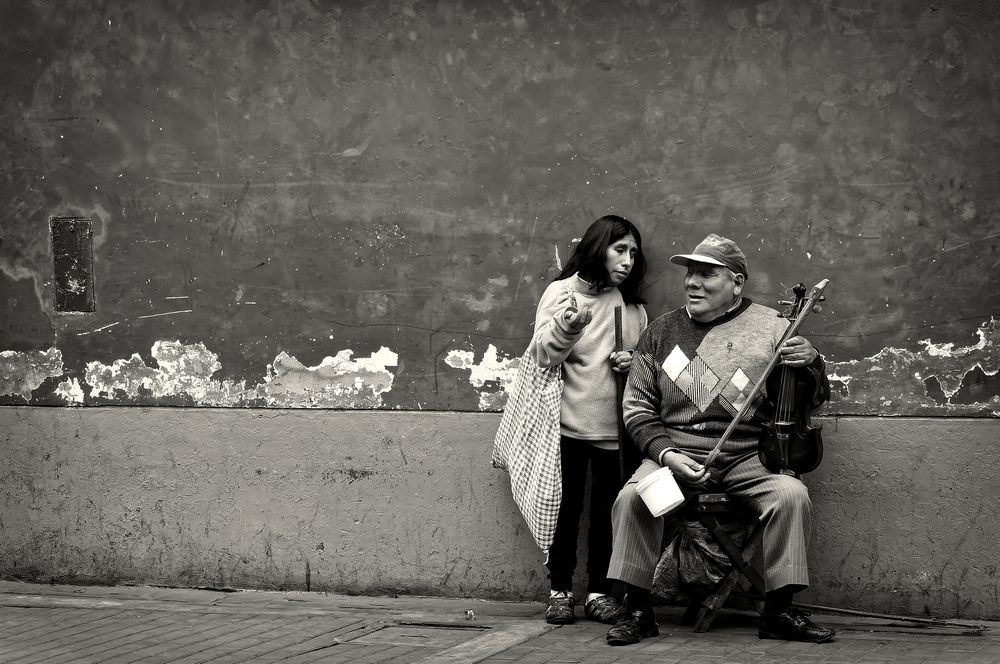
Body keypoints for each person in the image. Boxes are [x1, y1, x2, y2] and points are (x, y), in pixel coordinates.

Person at [604, 233, 836, 646]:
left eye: (707, 274)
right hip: (674, 455)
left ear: (737, 283)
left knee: (791, 495)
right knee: (632, 499)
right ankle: (639, 611)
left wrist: (812, 363)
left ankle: (778, 611)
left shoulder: (773, 328)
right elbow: (636, 409)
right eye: (690, 274)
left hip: (747, 456)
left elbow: (812, 400)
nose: (693, 282)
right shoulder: (662, 331)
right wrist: (667, 454)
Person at [530, 214, 649, 625]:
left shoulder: (632, 306)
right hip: (565, 428)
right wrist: (567, 326)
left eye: (634, 252)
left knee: (606, 516)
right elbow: (544, 354)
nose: (629, 259)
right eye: (620, 249)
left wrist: (633, 363)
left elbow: (645, 370)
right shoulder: (562, 294)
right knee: (565, 513)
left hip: (615, 431)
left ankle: (599, 592)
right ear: (599, 248)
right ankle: (559, 591)